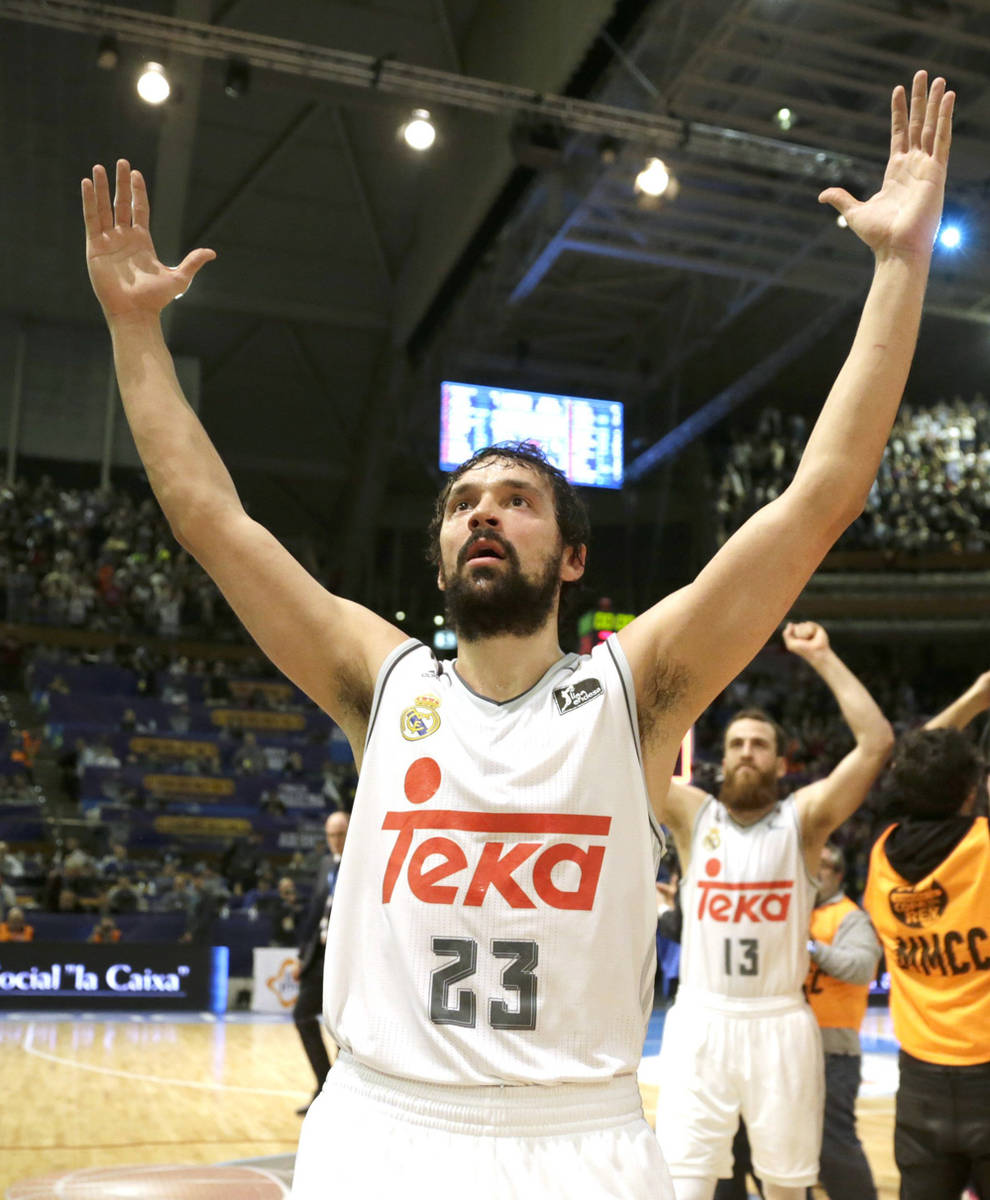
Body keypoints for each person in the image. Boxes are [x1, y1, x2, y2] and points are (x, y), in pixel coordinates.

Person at [81, 71, 953, 1200]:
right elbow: (211, 519)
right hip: (382, 1125)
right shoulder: (378, 679)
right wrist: (135, 331)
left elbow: (820, 497)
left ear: (572, 559)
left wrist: (898, 267)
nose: (483, 511)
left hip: (580, 1139)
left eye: (516, 500)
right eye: (461, 505)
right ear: (440, 559)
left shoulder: (634, 688)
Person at [656, 621, 893, 1200]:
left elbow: (877, 743)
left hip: (779, 1022)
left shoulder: (804, 822)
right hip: (701, 1019)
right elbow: (631, 750)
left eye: (759, 745)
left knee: (786, 1188)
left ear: (782, 763)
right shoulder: (693, 818)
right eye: (736, 744)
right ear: (721, 758)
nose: (745, 753)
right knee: (681, 1184)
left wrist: (823, 657)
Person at [863, 672, 990, 1200]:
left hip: (919, 1087)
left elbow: (904, 773)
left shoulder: (881, 856)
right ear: (970, 790)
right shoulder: (983, 846)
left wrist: (975, 697)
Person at [804, 841, 881, 1199]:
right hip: (787, 1047)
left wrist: (810, 946)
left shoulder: (851, 917)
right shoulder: (793, 911)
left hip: (833, 1052)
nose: (813, 873)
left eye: (821, 867)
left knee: (834, 1144)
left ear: (838, 875)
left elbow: (861, 967)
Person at [292, 812, 348, 1115]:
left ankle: (343, 1095)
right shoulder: (326, 865)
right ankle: (323, 1084)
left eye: (340, 834)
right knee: (302, 1016)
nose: (335, 841)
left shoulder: (361, 864)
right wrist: (302, 957)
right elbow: (314, 915)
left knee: (342, 1027)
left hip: (346, 958)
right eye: (330, 834)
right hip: (320, 955)